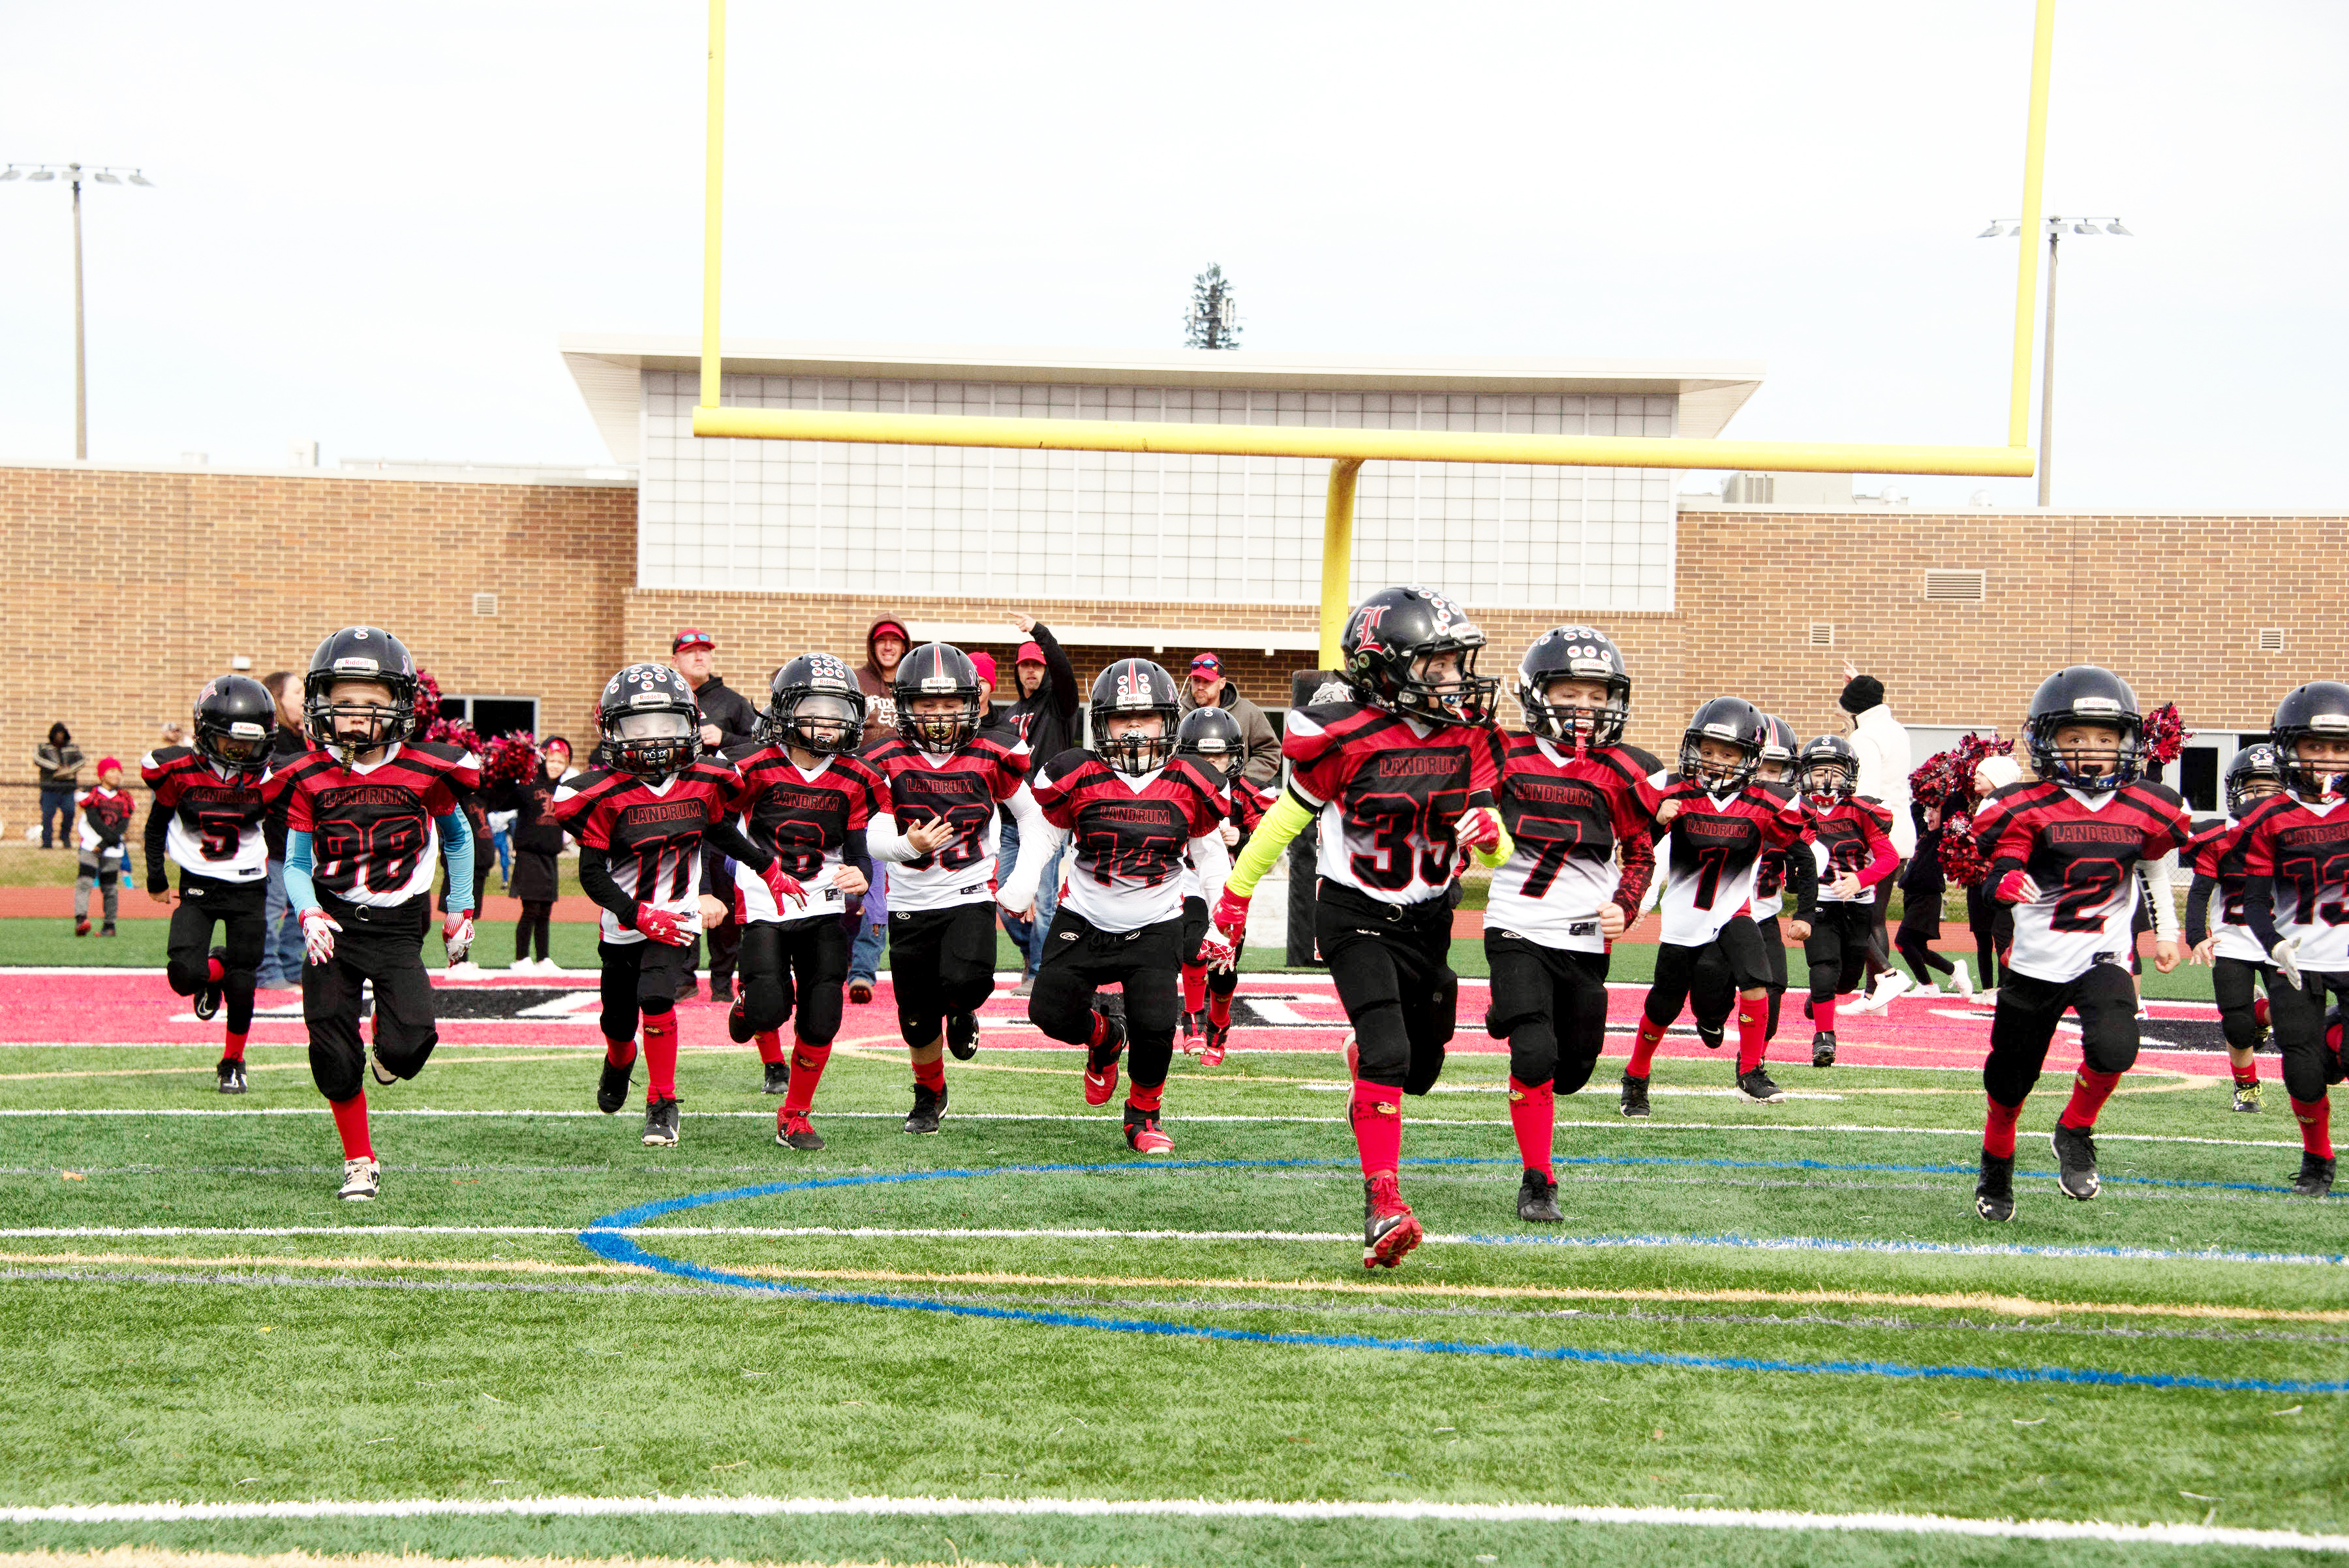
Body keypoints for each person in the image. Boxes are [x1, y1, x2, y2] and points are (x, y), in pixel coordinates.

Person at [1209, 585, 1514, 1269]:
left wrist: (1491, 835)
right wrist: (1234, 895)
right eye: (1438, 666)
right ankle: (1384, 1202)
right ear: (1385, 669)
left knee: (1421, 1069)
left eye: (1457, 664)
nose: (1456, 680)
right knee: (1387, 1052)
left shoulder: (1473, 736)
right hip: (1355, 913)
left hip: (1432, 915)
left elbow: (1496, 850)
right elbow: (1287, 821)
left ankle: (1372, 1074)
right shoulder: (1342, 735)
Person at [1967, 666, 2189, 1223]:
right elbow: (2001, 866)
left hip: (2103, 956)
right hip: (2037, 962)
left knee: (2116, 1048)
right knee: (2009, 1081)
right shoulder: (2024, 803)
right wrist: (2005, 883)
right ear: (2049, 741)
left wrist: (2168, 932)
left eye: (2105, 738)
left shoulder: (2149, 805)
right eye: (2075, 737)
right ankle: (1997, 1161)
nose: (2091, 749)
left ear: (2127, 744)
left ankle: (2075, 1127)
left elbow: (2155, 868)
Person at [274, 628, 481, 1200]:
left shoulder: (426, 769)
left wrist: (460, 906)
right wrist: (309, 911)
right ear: (322, 704)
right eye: (343, 702)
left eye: (371, 702)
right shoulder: (309, 774)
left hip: (396, 928)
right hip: (332, 926)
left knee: (411, 1044)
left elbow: (458, 840)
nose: (356, 715)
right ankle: (359, 1159)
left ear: (399, 703)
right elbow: (294, 863)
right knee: (334, 1057)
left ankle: (386, 1052)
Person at [553, 663, 793, 1150]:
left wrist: (768, 868)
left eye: (665, 724)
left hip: (677, 914)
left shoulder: (704, 779)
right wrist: (638, 914)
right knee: (618, 1022)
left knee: (659, 999)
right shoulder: (601, 792)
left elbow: (721, 829)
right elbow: (592, 874)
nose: (653, 739)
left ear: (688, 723)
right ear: (612, 730)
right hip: (625, 921)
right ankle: (619, 1061)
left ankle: (662, 1102)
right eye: (638, 726)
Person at [1482, 627, 1665, 1222]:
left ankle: (1512, 1009)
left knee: (1573, 1070)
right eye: (1569, 692)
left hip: (1584, 936)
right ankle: (1539, 1180)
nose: (1585, 707)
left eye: (1596, 694)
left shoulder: (1627, 769)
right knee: (1533, 1053)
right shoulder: (1504, 755)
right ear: (1537, 694)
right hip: (1516, 923)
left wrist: (1627, 904)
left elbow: (1639, 853)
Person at [1015, 660, 1231, 1156]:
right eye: (1122, 718)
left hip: (1156, 920)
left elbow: (1210, 857)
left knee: (1157, 1025)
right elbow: (1045, 830)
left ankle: (1144, 1113)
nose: (1134, 730)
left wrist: (1222, 919)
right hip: (1085, 915)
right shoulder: (1078, 772)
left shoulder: (1190, 780)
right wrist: (1023, 882)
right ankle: (1106, 1035)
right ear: (1102, 723)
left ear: (1169, 721)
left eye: (1148, 717)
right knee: (1048, 1010)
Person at [862, 641, 1051, 1133]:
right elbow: (876, 833)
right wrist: (908, 843)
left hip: (969, 892)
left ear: (972, 702)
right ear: (906, 706)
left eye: (950, 704)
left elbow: (1035, 819)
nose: (941, 716)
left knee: (966, 981)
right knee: (916, 1019)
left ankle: (962, 1009)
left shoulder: (991, 752)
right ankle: (930, 1092)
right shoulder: (889, 757)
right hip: (910, 900)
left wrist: (1022, 879)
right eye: (928, 705)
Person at [1624, 698, 1817, 1113]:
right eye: (1708, 751)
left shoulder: (1768, 800)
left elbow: (1798, 836)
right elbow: (1629, 837)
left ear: (1750, 758)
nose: (1714, 762)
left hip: (1735, 910)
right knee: (1664, 1005)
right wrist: (1655, 821)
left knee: (1756, 979)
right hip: (1684, 916)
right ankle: (1636, 1075)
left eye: (1728, 753)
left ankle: (1751, 1070)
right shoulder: (1672, 788)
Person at [728, 655, 884, 1150]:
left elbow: (859, 845)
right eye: (816, 710)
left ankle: (794, 1115)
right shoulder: (753, 765)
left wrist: (864, 871)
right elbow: (715, 827)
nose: (829, 724)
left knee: (823, 1014)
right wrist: (753, 867)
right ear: (788, 711)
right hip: (765, 901)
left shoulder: (857, 777)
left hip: (822, 903)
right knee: (770, 1007)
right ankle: (750, 999)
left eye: (838, 712)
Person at [2234, 683, 2349, 1198]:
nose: (2326, 758)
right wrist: (2273, 943)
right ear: (2290, 748)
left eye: (2338, 746)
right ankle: (2317, 1158)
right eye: (2315, 745)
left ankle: (2332, 1037)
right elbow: (2255, 902)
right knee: (2303, 1077)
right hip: (2295, 958)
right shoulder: (2268, 816)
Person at [143, 677, 279, 1090]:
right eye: (231, 743)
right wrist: (155, 877)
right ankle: (211, 974)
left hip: (249, 887)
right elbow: (155, 826)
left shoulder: (269, 777)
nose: (241, 753)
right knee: (185, 974)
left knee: (244, 978)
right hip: (199, 884)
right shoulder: (178, 770)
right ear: (205, 734)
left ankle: (232, 1061)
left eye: (249, 744)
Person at [2185, 743, 2286, 1114]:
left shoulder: (2297, 838)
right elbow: (2198, 894)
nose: (2260, 797)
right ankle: (2246, 1086)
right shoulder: (2219, 836)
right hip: (2233, 941)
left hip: (2283, 942)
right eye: (2253, 788)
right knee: (2238, 1027)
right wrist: (2197, 938)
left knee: (2292, 1015)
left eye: (2271, 789)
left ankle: (2263, 1013)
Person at [1792, 733, 1899, 1068]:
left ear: (1849, 775)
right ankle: (1824, 1038)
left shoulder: (1863, 810)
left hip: (1858, 902)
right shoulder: (1798, 810)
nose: (1826, 780)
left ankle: (1820, 999)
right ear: (1805, 773)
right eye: (1820, 771)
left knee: (1847, 979)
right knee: (1823, 967)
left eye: (1835, 772)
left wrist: (1859, 879)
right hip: (1819, 901)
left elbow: (1889, 859)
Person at [1173, 705, 1269, 1066]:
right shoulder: (1173, 783)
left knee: (1224, 967)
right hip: (1186, 877)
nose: (1211, 765)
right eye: (1202, 756)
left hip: (1232, 884)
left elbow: (1271, 834)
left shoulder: (1245, 791)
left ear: (1234, 756)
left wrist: (1241, 835)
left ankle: (1219, 1021)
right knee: (1193, 944)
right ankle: (1193, 1020)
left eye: (1219, 755)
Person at [670, 629, 760, 1002]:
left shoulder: (733, 703)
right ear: (675, 658)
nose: (700, 657)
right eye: (691, 651)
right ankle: (683, 978)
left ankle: (722, 983)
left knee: (723, 899)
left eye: (705, 651)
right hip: (678, 813)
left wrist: (724, 739)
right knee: (684, 894)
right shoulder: (665, 699)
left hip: (721, 815)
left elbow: (763, 747)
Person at [998, 613, 1080, 993]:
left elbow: (1064, 670)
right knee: (1004, 898)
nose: (1031, 672)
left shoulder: (1059, 705)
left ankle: (1038, 974)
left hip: (1047, 818)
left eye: (1037, 665)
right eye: (1025, 665)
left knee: (1045, 900)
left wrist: (1039, 633)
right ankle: (1034, 954)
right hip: (1011, 821)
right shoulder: (1010, 714)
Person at [1837, 667, 1916, 1010]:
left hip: (1874, 832)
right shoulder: (1895, 729)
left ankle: (1885, 977)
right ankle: (1875, 995)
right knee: (1876, 916)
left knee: (1854, 915)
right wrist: (1859, 686)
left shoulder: (1864, 738)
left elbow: (1865, 793)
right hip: (1899, 830)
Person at [847, 613, 913, 1002]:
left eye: (895, 641)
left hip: (906, 794)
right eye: (881, 641)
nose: (888, 647)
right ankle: (852, 967)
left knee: (892, 886)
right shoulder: (856, 681)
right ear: (872, 646)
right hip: (861, 794)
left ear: (905, 646)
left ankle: (871, 969)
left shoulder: (913, 682)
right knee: (863, 880)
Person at [253, 671, 311, 991]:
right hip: (274, 843)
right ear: (277, 698)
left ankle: (291, 966)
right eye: (297, 692)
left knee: (296, 909)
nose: (304, 698)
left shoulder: (298, 736)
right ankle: (266, 971)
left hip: (296, 841)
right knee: (272, 910)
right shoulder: (272, 740)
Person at [495, 736, 573, 973]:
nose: (555, 765)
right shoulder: (528, 786)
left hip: (549, 858)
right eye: (551, 760)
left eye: (561, 762)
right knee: (530, 909)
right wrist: (509, 772)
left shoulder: (564, 791)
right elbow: (503, 801)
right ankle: (521, 958)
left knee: (545, 911)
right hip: (529, 856)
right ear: (543, 760)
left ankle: (543, 958)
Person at [1963, 754, 2024, 1003]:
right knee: (1990, 933)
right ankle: (1995, 988)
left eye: (1982, 773)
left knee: (2005, 933)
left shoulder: (2006, 804)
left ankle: (2008, 988)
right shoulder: (1984, 802)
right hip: (1987, 878)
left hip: (2008, 877)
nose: (1976, 776)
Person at [1176, 652, 1282, 789]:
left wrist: (1243, 780)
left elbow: (1269, 752)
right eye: (1196, 680)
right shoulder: (1177, 713)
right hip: (1187, 792)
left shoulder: (1248, 712)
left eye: (1207, 681)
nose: (1200, 686)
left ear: (1222, 683)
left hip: (1234, 796)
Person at [1896, 801, 1967, 997]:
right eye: (1929, 809)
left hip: (1927, 896)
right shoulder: (1922, 831)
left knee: (1903, 941)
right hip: (1911, 894)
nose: (1930, 813)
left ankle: (1927, 984)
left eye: (1935, 810)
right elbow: (1915, 810)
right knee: (1918, 948)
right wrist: (1924, 793)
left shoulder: (1941, 837)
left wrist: (1945, 793)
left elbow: (1952, 812)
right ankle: (1953, 970)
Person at [72, 758, 134, 938]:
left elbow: (123, 825)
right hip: (90, 846)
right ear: (102, 775)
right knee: (85, 881)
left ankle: (109, 925)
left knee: (110, 887)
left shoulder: (125, 798)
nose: (116, 774)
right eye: (111, 770)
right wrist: (97, 844)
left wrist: (104, 844)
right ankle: (81, 919)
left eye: (118, 771)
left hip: (112, 848)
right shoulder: (92, 795)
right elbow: (93, 820)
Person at [37, 722, 84, 849]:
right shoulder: (44, 748)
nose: (60, 737)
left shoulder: (72, 748)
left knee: (69, 812)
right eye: (57, 734)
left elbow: (81, 761)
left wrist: (67, 771)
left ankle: (65, 838)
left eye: (62, 734)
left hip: (67, 788)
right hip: (49, 787)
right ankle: (47, 842)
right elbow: (38, 760)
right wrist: (56, 768)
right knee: (48, 815)